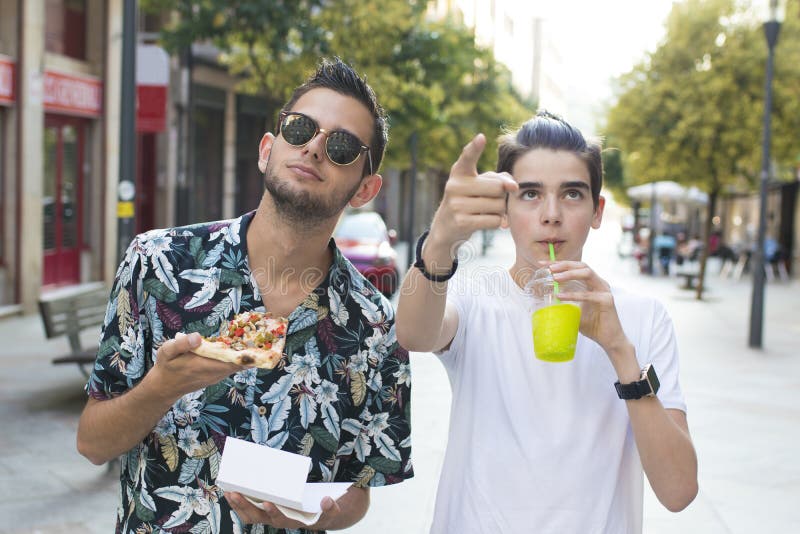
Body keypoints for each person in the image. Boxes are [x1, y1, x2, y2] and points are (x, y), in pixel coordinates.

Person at [77, 58, 413, 534]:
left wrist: (327, 516)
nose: (315, 147)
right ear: (267, 150)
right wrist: (162, 386)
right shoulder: (159, 262)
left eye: (341, 146)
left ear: (366, 189)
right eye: (300, 129)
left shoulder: (376, 324)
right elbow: (92, 443)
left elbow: (358, 486)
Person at [396, 111, 697, 533]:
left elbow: (679, 490)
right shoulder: (474, 298)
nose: (551, 214)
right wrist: (440, 241)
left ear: (597, 210)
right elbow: (412, 334)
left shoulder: (643, 317)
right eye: (531, 194)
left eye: (572, 194)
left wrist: (619, 350)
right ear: (504, 209)